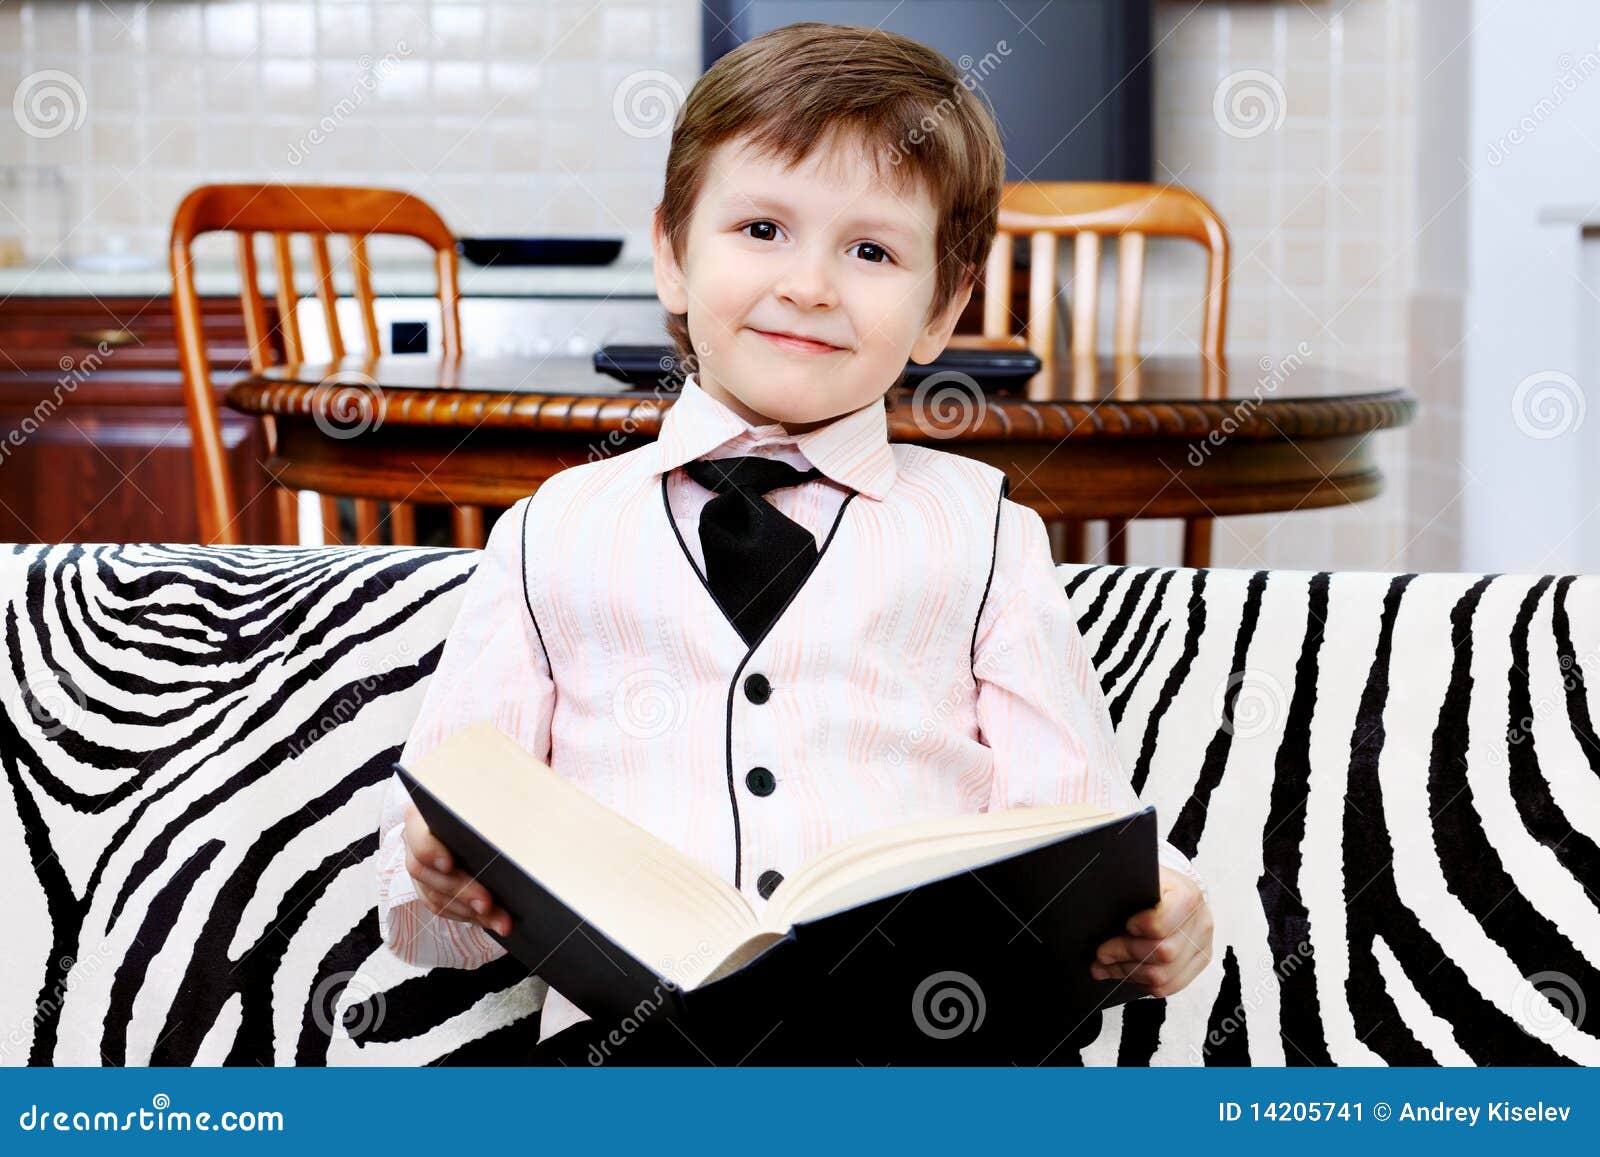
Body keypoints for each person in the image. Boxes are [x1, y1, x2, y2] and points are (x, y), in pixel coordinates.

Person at [376, 21, 1214, 1066]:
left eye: (870, 250)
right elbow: (440, 869)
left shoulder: (988, 532)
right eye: (762, 228)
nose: (810, 285)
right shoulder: (552, 529)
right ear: (675, 257)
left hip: (926, 1050)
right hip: (630, 1054)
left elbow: (1074, 822)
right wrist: (434, 870)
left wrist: (1163, 904)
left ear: (939, 309)